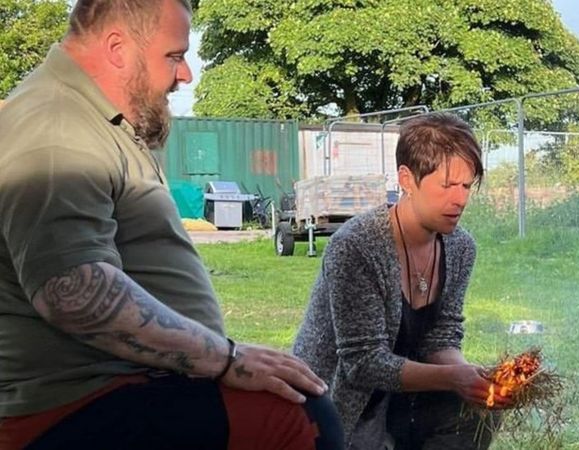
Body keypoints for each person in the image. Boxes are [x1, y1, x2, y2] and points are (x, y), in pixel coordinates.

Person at [0, 1, 343, 449]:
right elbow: (72, 289)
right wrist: (225, 358)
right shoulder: (57, 127)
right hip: (74, 404)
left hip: (123, 387)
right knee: (297, 417)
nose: (186, 76)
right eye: (175, 56)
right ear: (118, 47)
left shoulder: (94, 120)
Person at [293, 113, 507, 449]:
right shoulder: (357, 245)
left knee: (479, 410)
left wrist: (474, 380)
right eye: (447, 185)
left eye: (467, 186)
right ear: (407, 179)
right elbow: (362, 364)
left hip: (404, 397)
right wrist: (454, 378)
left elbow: (441, 337)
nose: (461, 199)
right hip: (338, 403)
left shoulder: (460, 246)